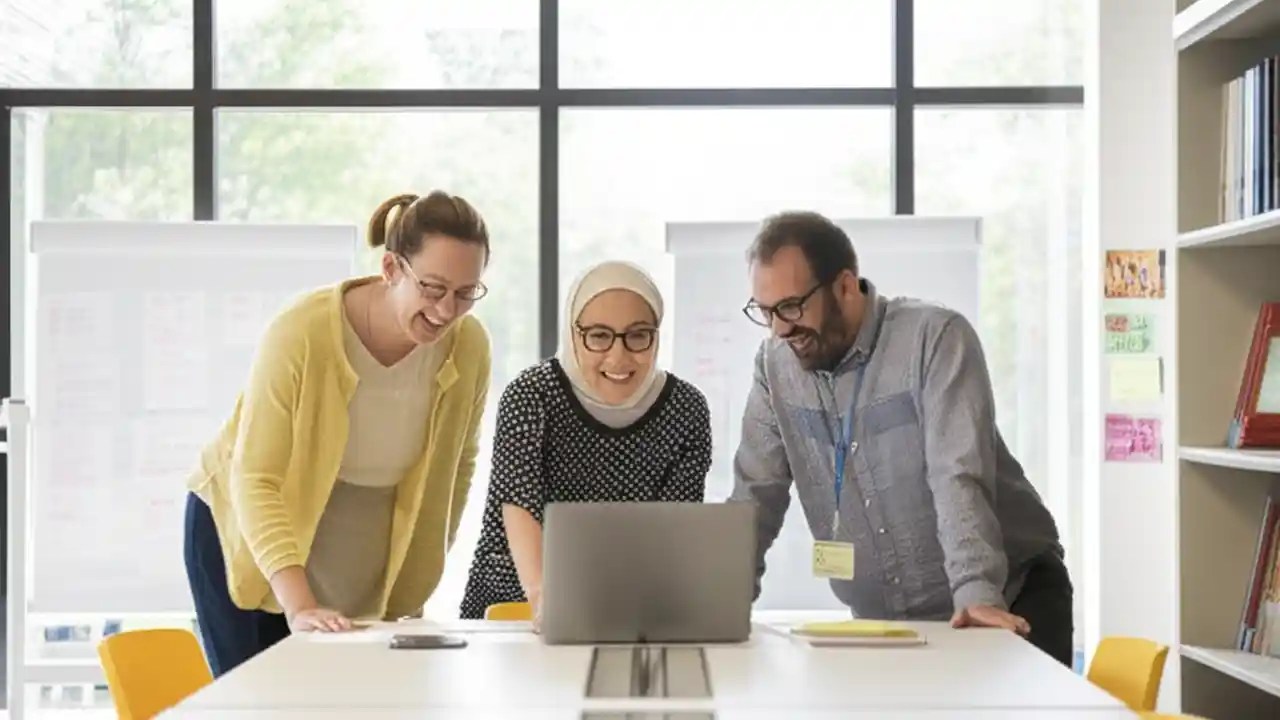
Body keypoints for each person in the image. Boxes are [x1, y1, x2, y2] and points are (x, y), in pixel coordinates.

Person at [730, 211, 1072, 666]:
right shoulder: (775, 364)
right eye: (766, 311)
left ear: (845, 286)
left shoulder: (934, 338)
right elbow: (757, 491)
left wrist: (976, 592)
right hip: (888, 626)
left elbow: (957, 474)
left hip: (1005, 603)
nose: (779, 328)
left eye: (791, 307)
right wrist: (722, 604)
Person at [183, 191, 493, 675]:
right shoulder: (302, 333)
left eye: (466, 292)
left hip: (353, 533)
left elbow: (459, 464)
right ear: (391, 268)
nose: (447, 310)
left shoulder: (469, 348)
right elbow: (256, 476)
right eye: (433, 288)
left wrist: (415, 574)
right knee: (258, 700)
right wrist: (299, 604)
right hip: (247, 526)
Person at [459, 260, 712, 623]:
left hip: (626, 610)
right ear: (573, 333)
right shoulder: (531, 395)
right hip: (514, 608)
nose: (619, 356)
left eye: (639, 335)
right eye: (598, 335)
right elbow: (518, 504)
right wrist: (543, 595)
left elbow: (674, 528)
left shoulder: (685, 407)